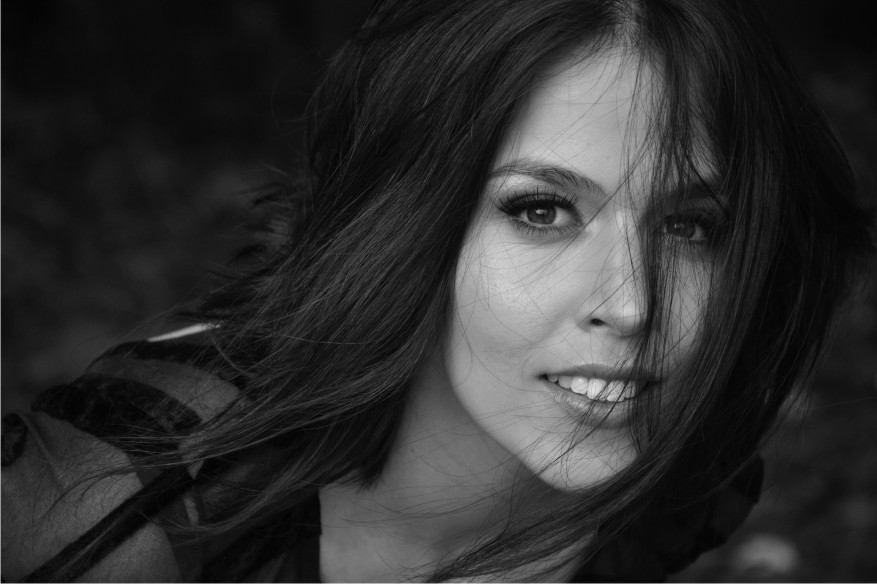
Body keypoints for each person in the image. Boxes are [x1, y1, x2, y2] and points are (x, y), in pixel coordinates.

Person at [2, 0, 872, 581]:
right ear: (408, 225)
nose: (632, 305)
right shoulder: (99, 510)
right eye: (540, 210)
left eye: (690, 226)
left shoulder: (676, 477)